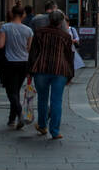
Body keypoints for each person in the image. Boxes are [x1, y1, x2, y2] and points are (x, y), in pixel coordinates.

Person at [26, 9, 75, 140]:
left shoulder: (39, 33)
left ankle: (42, 125)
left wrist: (29, 71)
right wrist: (71, 75)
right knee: (56, 101)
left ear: (49, 20)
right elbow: (69, 57)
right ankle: (55, 131)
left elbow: (33, 53)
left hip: (41, 69)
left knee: (42, 99)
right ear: (61, 22)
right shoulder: (66, 37)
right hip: (60, 71)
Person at [0, 5, 33, 129]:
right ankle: (12, 119)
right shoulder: (28, 30)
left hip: (10, 63)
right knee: (15, 90)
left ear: (12, 14)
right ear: (23, 15)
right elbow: (29, 49)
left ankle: (20, 113)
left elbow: (0, 45)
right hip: (24, 63)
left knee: (10, 91)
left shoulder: (5, 27)